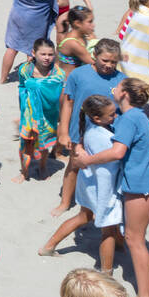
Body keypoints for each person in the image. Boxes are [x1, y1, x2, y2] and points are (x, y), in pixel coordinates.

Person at [73, 78, 149, 297]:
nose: (113, 88)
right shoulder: (135, 116)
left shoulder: (129, 119)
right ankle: (145, 294)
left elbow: (117, 153)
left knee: (135, 239)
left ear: (124, 95)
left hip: (143, 185)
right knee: (134, 237)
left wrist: (87, 160)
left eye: (118, 87)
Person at [40, 95, 123, 271]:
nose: (115, 117)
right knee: (107, 229)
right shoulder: (101, 136)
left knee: (83, 216)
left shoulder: (91, 129)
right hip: (101, 188)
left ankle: (48, 246)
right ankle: (107, 273)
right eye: (111, 115)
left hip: (88, 184)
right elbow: (112, 162)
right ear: (96, 118)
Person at [55, 39, 126, 217]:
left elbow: (125, 110)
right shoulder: (78, 75)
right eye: (105, 60)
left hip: (108, 137)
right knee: (74, 165)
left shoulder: (121, 80)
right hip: (79, 133)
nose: (109, 65)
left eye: (113, 62)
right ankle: (65, 202)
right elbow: (68, 104)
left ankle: (98, 203)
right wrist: (63, 132)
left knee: (104, 170)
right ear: (94, 56)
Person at [17, 38, 64, 182]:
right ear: (33, 53)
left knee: (44, 141)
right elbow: (22, 86)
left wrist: (35, 85)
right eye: (43, 54)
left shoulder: (58, 74)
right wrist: (24, 102)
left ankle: (42, 166)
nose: (47, 58)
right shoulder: (25, 69)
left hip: (49, 114)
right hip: (29, 112)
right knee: (26, 141)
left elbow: (57, 94)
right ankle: (24, 172)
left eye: (50, 54)